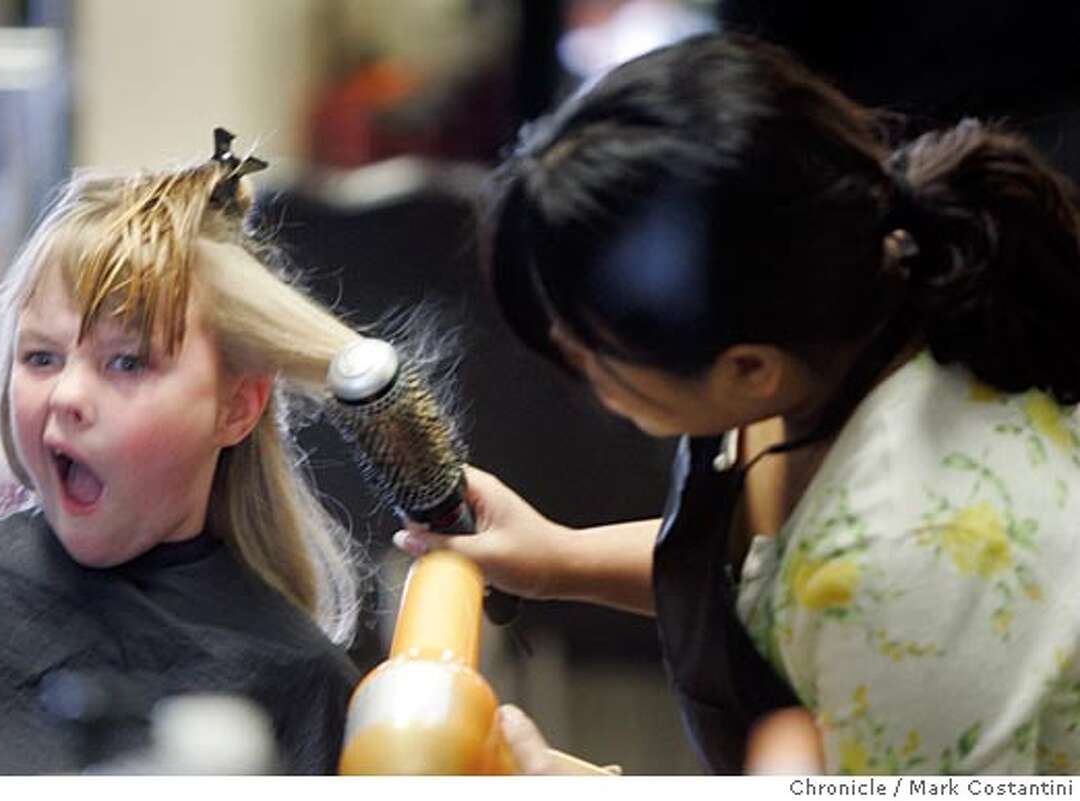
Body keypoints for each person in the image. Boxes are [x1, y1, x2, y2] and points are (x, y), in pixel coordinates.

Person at [395, 33, 1080, 774]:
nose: (580, 370)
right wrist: (559, 557)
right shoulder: (830, 311)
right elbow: (767, 574)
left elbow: (839, 591)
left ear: (749, 369)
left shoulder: (909, 565)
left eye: (595, 356)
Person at [0, 131, 364, 774]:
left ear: (237, 406)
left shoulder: (308, 683)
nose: (68, 395)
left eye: (127, 362)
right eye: (41, 358)